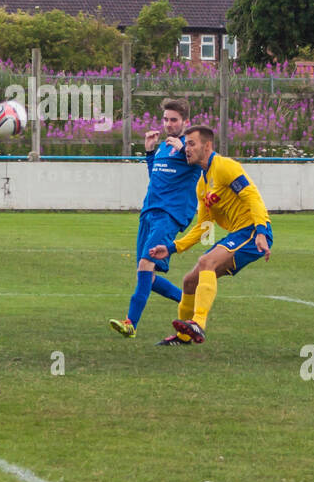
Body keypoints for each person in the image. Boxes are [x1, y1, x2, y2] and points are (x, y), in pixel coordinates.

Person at [148, 125, 271, 347]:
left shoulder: (225, 167)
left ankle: (198, 323)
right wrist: (173, 247)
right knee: (189, 282)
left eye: (192, 144)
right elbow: (204, 228)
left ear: (207, 146)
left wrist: (261, 231)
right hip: (239, 234)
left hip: (253, 231)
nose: (187, 148)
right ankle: (184, 337)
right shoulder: (202, 184)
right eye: (186, 144)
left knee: (207, 261)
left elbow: (252, 197)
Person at [109, 98, 202, 339]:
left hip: (169, 216)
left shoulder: (191, 147)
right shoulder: (163, 147)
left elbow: (206, 164)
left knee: (145, 265)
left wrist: (184, 149)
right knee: (147, 277)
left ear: (185, 122)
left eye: (174, 120)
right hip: (149, 212)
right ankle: (191, 301)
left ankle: (131, 324)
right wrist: (150, 152)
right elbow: (156, 177)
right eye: (165, 119)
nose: (168, 124)